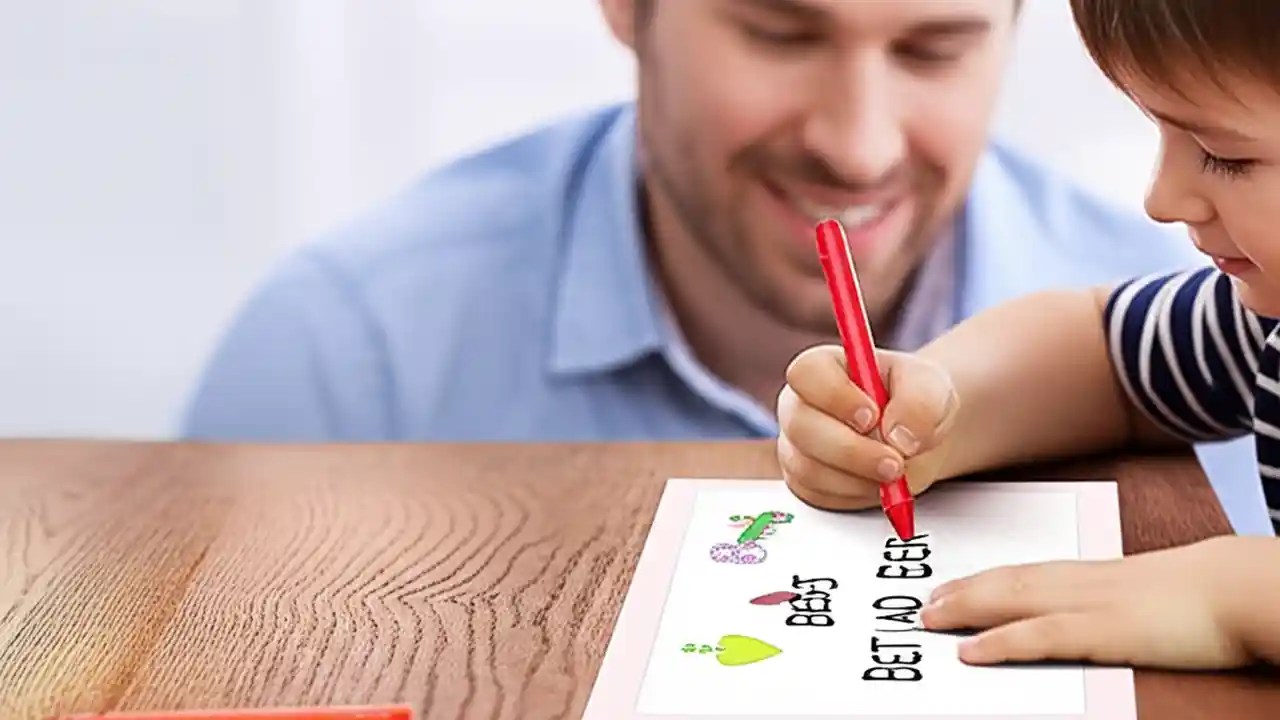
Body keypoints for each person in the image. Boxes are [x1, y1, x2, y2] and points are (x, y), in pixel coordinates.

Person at [182, 2, 1238, 511]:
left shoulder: (1216, 309)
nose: (855, 143)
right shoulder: (348, 356)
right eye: (778, 34)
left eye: (932, 50)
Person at [777, 0, 1280, 670]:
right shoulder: (1259, 321)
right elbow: (1104, 355)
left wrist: (1235, 599)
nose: (1162, 197)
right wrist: (932, 413)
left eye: (1225, 155)